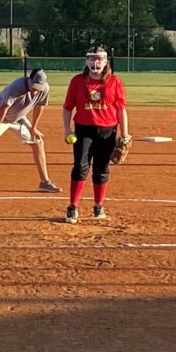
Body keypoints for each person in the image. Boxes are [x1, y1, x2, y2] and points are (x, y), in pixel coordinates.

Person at [62, 44, 130, 224]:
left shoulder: (114, 81)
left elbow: (121, 108)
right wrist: (67, 129)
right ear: (86, 60)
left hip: (107, 131)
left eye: (99, 58)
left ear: (106, 60)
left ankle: (98, 205)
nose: (96, 61)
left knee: (101, 170)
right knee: (80, 167)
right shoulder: (77, 81)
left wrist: (125, 134)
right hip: (84, 129)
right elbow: (68, 107)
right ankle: (73, 207)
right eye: (92, 57)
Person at [0, 67, 59, 198]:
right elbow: (3, 108)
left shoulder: (44, 89)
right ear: (29, 79)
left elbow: (40, 106)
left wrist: (34, 127)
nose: (35, 90)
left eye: (39, 88)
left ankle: (44, 182)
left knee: (38, 141)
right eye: (34, 86)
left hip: (18, 117)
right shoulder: (16, 86)